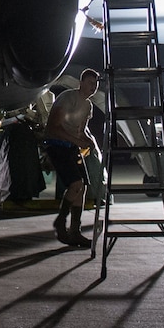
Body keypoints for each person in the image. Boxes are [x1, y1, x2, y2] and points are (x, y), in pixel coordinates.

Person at [41, 68, 101, 248]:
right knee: (75, 185)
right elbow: (54, 127)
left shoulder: (88, 106)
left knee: (81, 189)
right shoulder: (68, 97)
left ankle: (75, 231)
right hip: (57, 145)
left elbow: (80, 131)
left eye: (96, 84)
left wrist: (88, 141)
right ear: (81, 83)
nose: (94, 87)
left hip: (71, 148)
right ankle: (61, 221)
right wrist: (77, 141)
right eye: (90, 83)